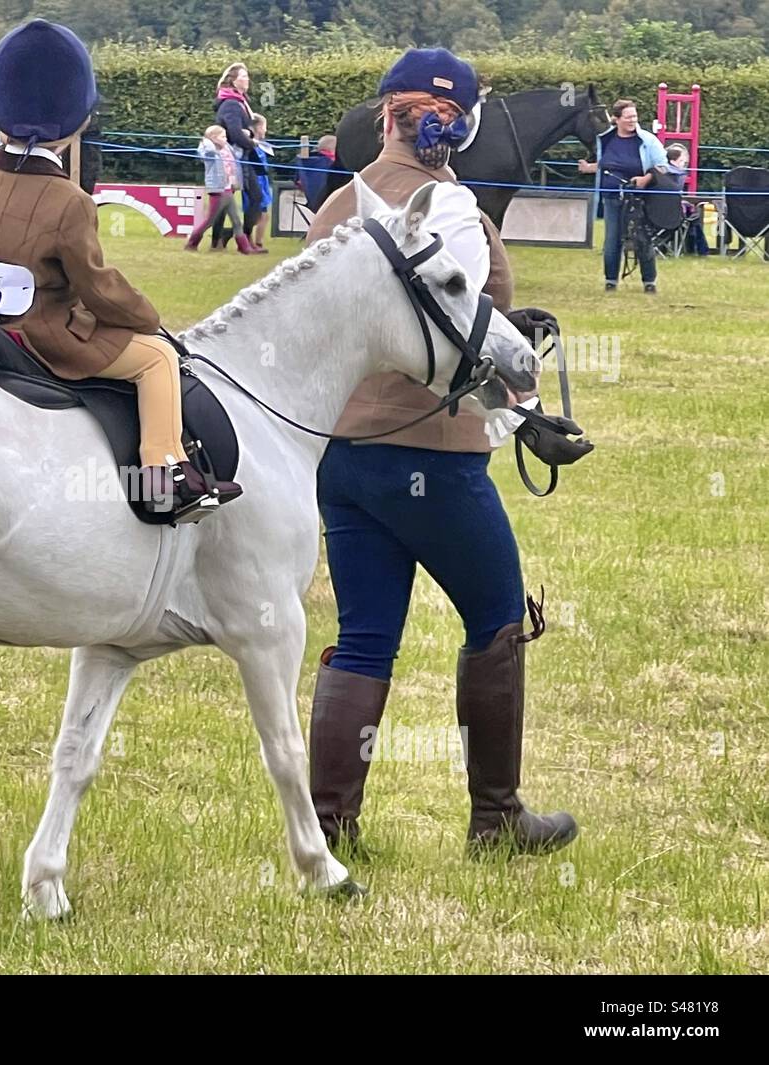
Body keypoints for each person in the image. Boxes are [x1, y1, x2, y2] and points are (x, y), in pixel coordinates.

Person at [304, 47, 580, 861]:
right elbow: (454, 337)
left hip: (345, 455)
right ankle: (496, 819)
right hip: (436, 452)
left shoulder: (336, 206)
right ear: (450, 123)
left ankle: (329, 823)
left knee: (363, 637)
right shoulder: (452, 208)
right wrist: (525, 407)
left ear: (385, 113)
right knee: (497, 619)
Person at [0, 19, 241, 522]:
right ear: (75, 121)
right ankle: (167, 476)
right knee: (158, 359)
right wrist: (145, 315)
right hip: (44, 336)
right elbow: (96, 289)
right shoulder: (68, 201)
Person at [578, 99, 667, 292]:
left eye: (634, 116)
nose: (632, 120)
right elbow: (607, 164)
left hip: (638, 199)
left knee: (642, 238)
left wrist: (646, 178)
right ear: (616, 119)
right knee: (612, 240)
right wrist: (589, 168)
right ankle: (611, 280)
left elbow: (663, 165)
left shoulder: (648, 140)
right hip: (611, 197)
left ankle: (649, 282)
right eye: (628, 117)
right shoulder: (606, 139)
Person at [210, 62, 263, 251]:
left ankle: (227, 238)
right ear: (233, 81)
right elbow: (234, 131)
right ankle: (229, 239)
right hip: (234, 158)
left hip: (241, 156)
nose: (247, 79)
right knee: (248, 198)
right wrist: (251, 141)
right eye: (243, 76)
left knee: (232, 201)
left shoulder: (239, 101)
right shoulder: (232, 104)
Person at [184, 125, 251, 253]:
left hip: (228, 188)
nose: (226, 139)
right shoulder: (209, 151)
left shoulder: (227, 148)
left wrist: (243, 136)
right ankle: (192, 243)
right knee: (209, 221)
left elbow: (238, 154)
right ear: (214, 138)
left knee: (236, 220)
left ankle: (244, 247)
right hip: (217, 189)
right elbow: (206, 153)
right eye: (223, 136)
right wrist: (207, 142)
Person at [664, 144, 711, 256]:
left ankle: (695, 248)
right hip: (673, 214)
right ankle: (699, 249)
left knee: (690, 212)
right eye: (682, 160)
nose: (684, 163)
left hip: (654, 213)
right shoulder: (678, 175)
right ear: (674, 161)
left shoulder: (658, 172)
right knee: (693, 215)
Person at [245, 114, 274, 252]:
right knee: (259, 214)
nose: (265, 131)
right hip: (256, 181)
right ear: (256, 128)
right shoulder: (250, 144)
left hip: (263, 181)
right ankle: (254, 242)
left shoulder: (262, 145)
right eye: (264, 127)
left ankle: (257, 242)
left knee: (263, 214)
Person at [298, 134, 341, 215]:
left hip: (314, 204)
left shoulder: (306, 163)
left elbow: (298, 181)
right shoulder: (330, 164)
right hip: (330, 203)